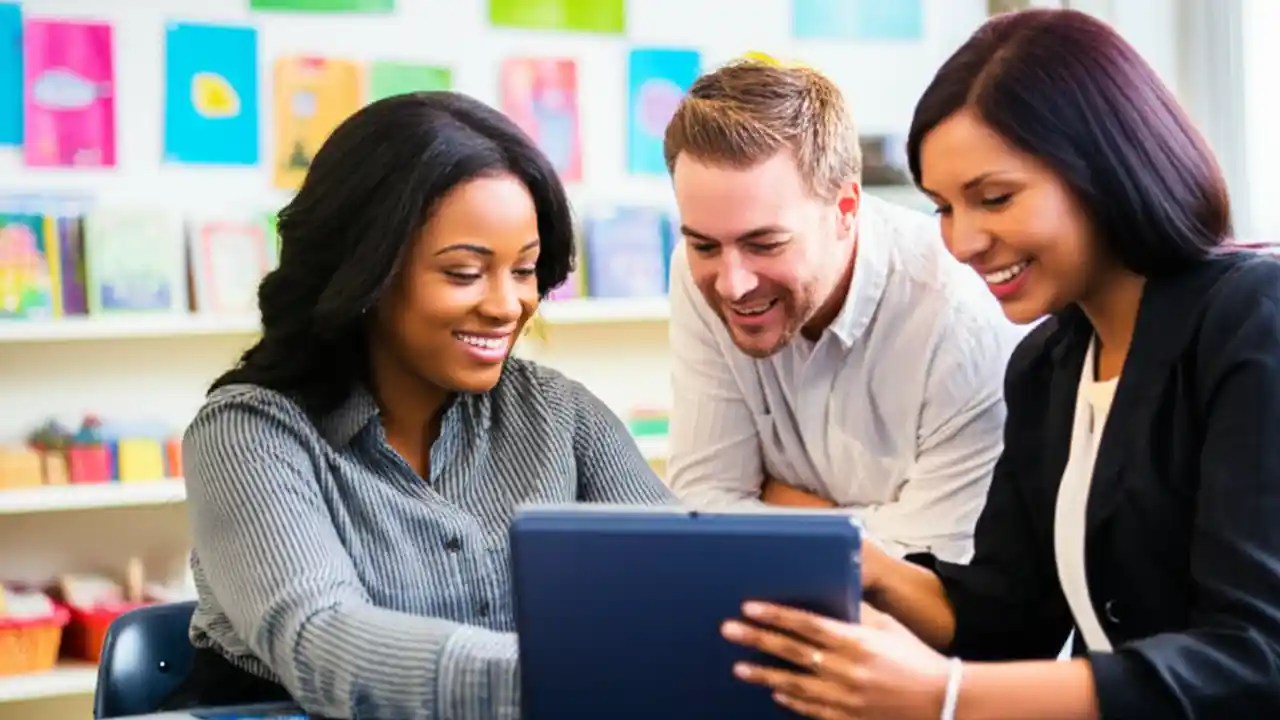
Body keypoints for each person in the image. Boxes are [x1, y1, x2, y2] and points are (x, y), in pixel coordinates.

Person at [720, 8, 1280, 718]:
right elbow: (1007, 619)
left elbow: (1254, 657)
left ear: (1104, 167)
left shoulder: (1251, 318)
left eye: (994, 198)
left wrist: (943, 696)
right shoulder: (1049, 365)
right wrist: (861, 565)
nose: (962, 241)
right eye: (943, 208)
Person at [167, 92, 675, 719]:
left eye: (524, 270)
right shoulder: (248, 434)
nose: (506, 305)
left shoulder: (560, 414)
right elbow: (323, 640)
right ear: (366, 272)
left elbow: (686, 578)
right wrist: (571, 678)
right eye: (464, 272)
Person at [662, 58, 1024, 562]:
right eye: (704, 246)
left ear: (845, 210)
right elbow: (702, 505)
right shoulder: (695, 270)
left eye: (765, 244)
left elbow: (934, 566)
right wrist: (853, 525)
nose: (733, 283)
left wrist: (777, 496)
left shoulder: (962, 317)